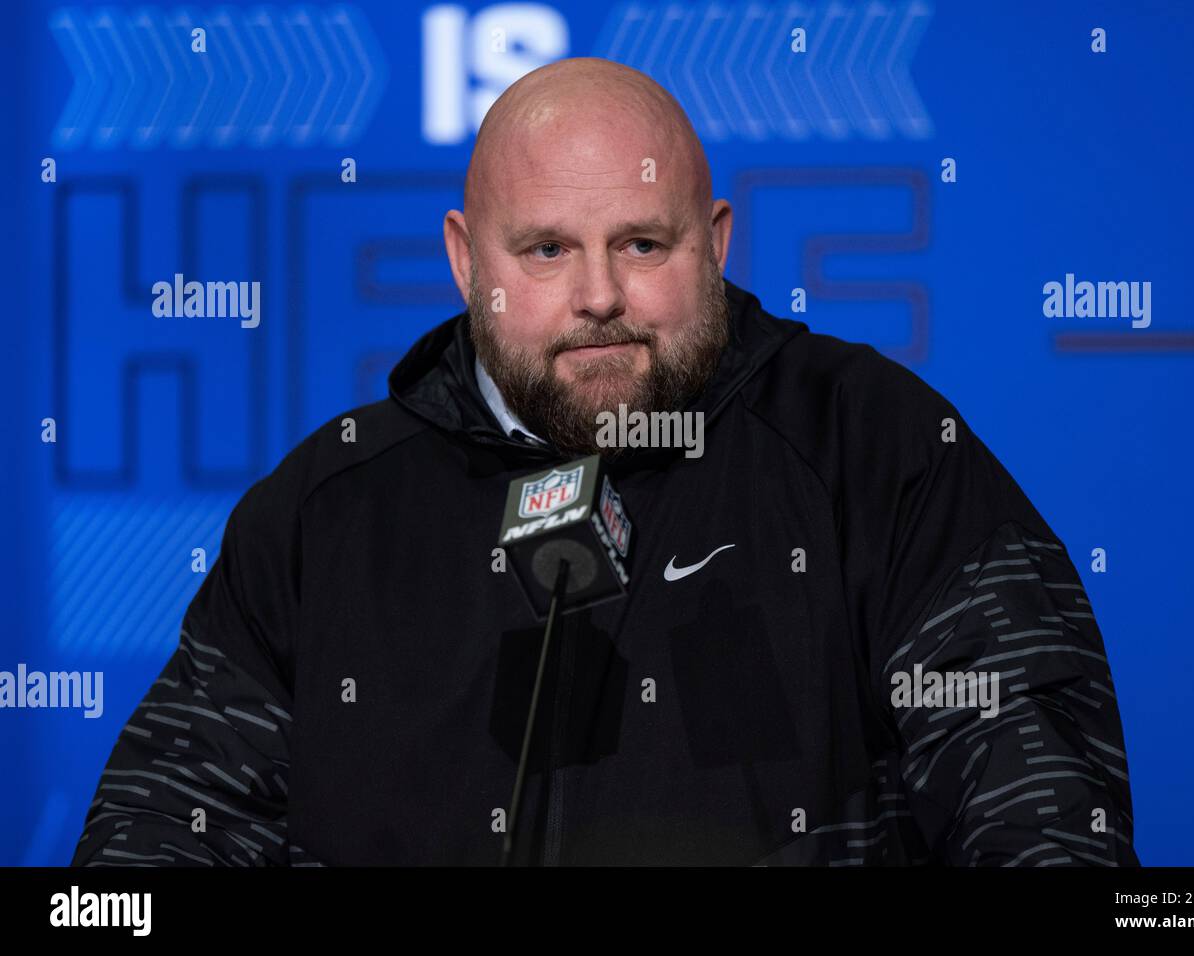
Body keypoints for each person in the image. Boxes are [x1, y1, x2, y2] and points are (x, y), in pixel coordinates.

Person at [71, 57, 1138, 866]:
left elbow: (1037, 807)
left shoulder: (873, 445)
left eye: (641, 243)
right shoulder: (323, 510)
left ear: (715, 243)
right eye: (544, 250)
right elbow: (154, 842)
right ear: (462, 260)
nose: (597, 297)